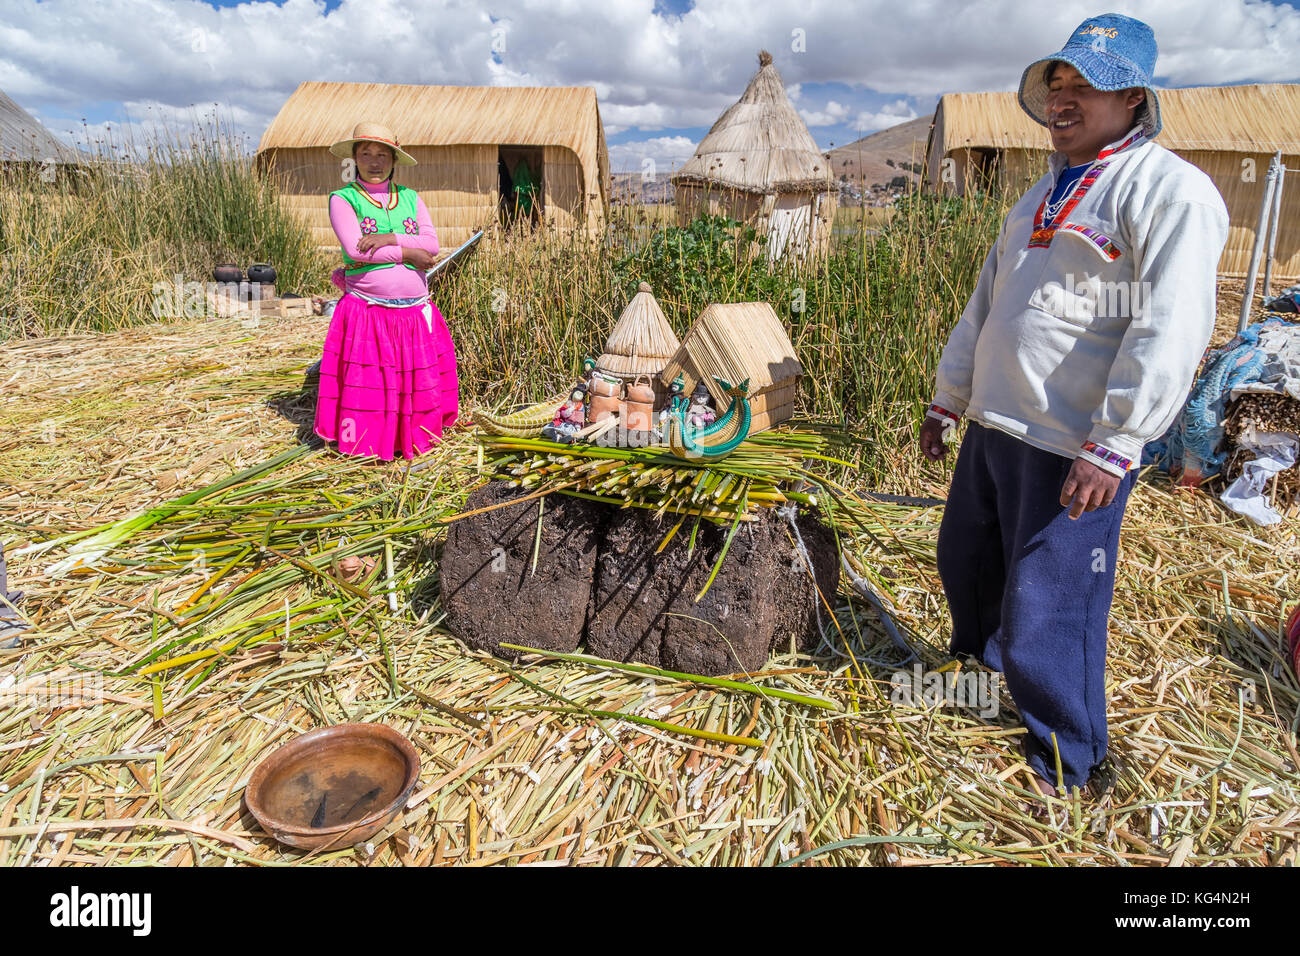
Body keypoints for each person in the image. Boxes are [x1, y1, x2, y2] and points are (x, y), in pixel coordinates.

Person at [919, 15, 1229, 802]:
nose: (1062, 98)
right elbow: (986, 303)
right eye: (1055, 84)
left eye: (1082, 85)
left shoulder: (1171, 191)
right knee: (968, 561)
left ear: (1131, 98)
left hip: (1072, 442)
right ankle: (983, 677)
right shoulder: (1037, 196)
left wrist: (1117, 442)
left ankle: (1070, 753)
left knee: (1052, 599)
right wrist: (949, 397)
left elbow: (1172, 323)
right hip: (995, 423)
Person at [313, 121, 459, 460]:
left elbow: (432, 246)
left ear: (394, 159)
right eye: (366, 154)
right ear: (354, 159)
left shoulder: (410, 198)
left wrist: (391, 239)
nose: (374, 161)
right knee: (373, 385)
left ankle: (408, 439)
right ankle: (367, 444)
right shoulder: (343, 199)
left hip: (413, 311)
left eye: (382, 154)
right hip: (369, 313)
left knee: (411, 384)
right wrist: (410, 253)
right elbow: (355, 250)